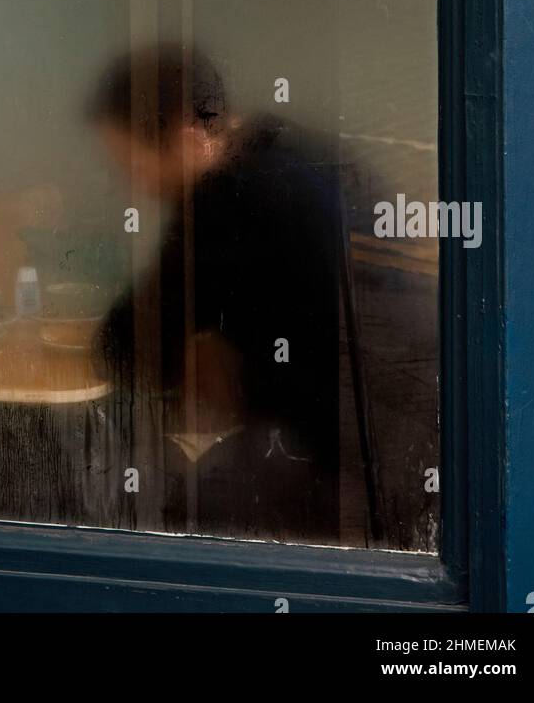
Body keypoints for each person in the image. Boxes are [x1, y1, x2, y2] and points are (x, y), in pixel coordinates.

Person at [88, 44, 343, 542]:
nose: (132, 187)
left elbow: (124, 344)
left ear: (185, 143)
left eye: (132, 167)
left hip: (323, 469)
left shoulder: (227, 198)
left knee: (131, 500)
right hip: (374, 455)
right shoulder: (293, 154)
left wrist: (196, 344)